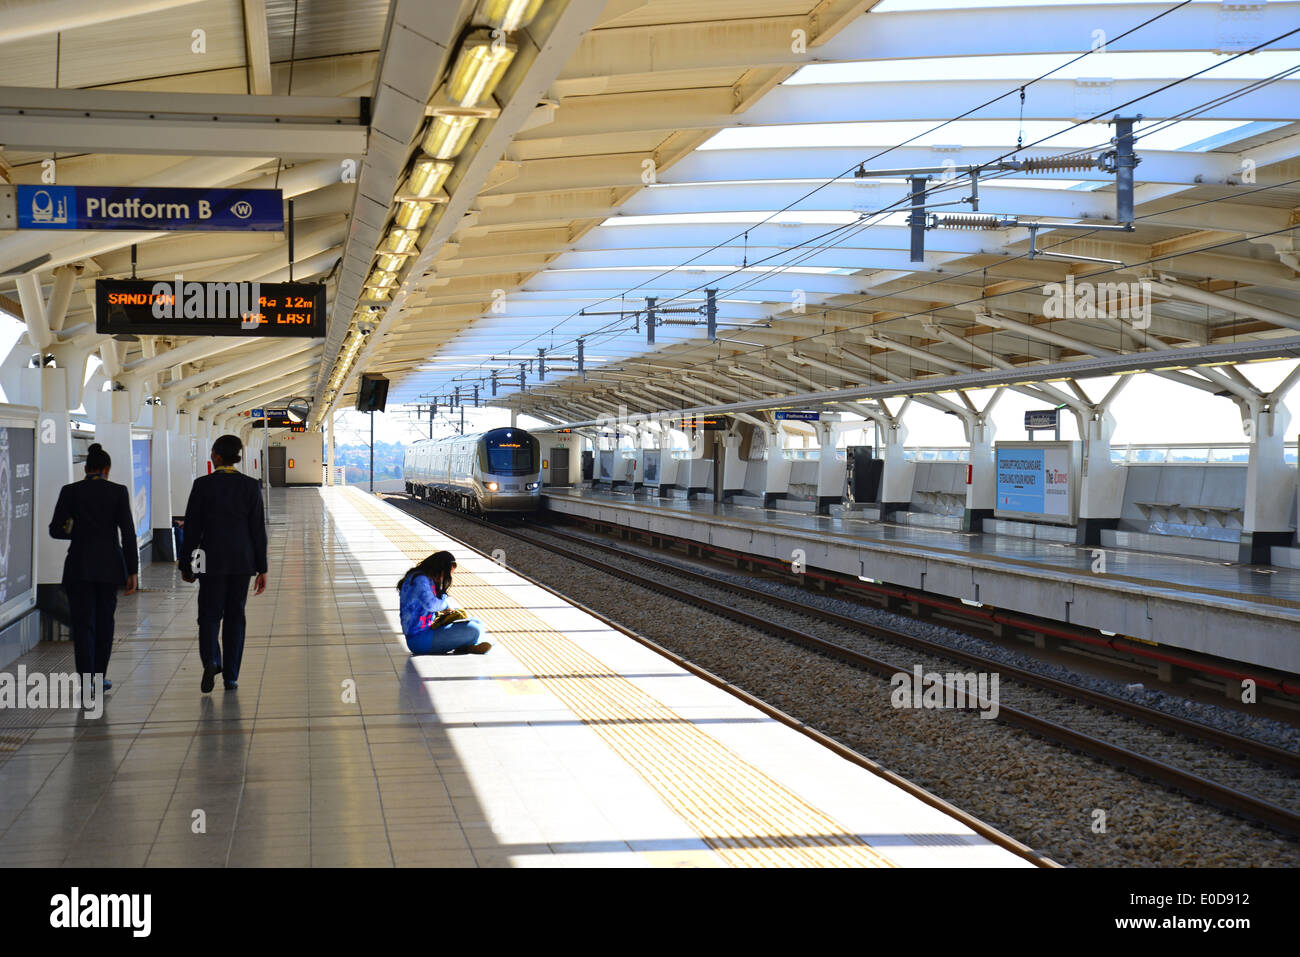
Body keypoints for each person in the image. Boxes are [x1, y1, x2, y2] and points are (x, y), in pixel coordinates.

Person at [178, 434, 268, 693]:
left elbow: (192, 529)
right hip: (242, 560)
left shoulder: (202, 485)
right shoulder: (250, 486)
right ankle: (231, 676)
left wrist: (187, 564)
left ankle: (211, 660)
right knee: (235, 616)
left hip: (209, 559)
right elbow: (257, 530)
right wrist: (263, 568)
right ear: (238, 456)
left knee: (208, 615)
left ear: (216, 455)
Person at [48, 443, 138, 691]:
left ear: (86, 468)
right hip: (110, 566)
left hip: (79, 565)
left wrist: (78, 531)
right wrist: (133, 570)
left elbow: (56, 529)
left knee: (83, 623)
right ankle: (99, 678)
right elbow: (128, 533)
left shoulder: (70, 492)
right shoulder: (118, 492)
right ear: (107, 469)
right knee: (104, 623)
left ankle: (86, 680)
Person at [398, 551, 490, 655]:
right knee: (474, 630)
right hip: (419, 640)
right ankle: (469, 645)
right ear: (441, 569)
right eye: (447, 574)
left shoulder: (423, 577)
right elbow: (431, 605)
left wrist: (443, 611)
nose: (445, 578)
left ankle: (468, 645)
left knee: (477, 622)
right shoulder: (420, 580)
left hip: (427, 633)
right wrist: (446, 604)